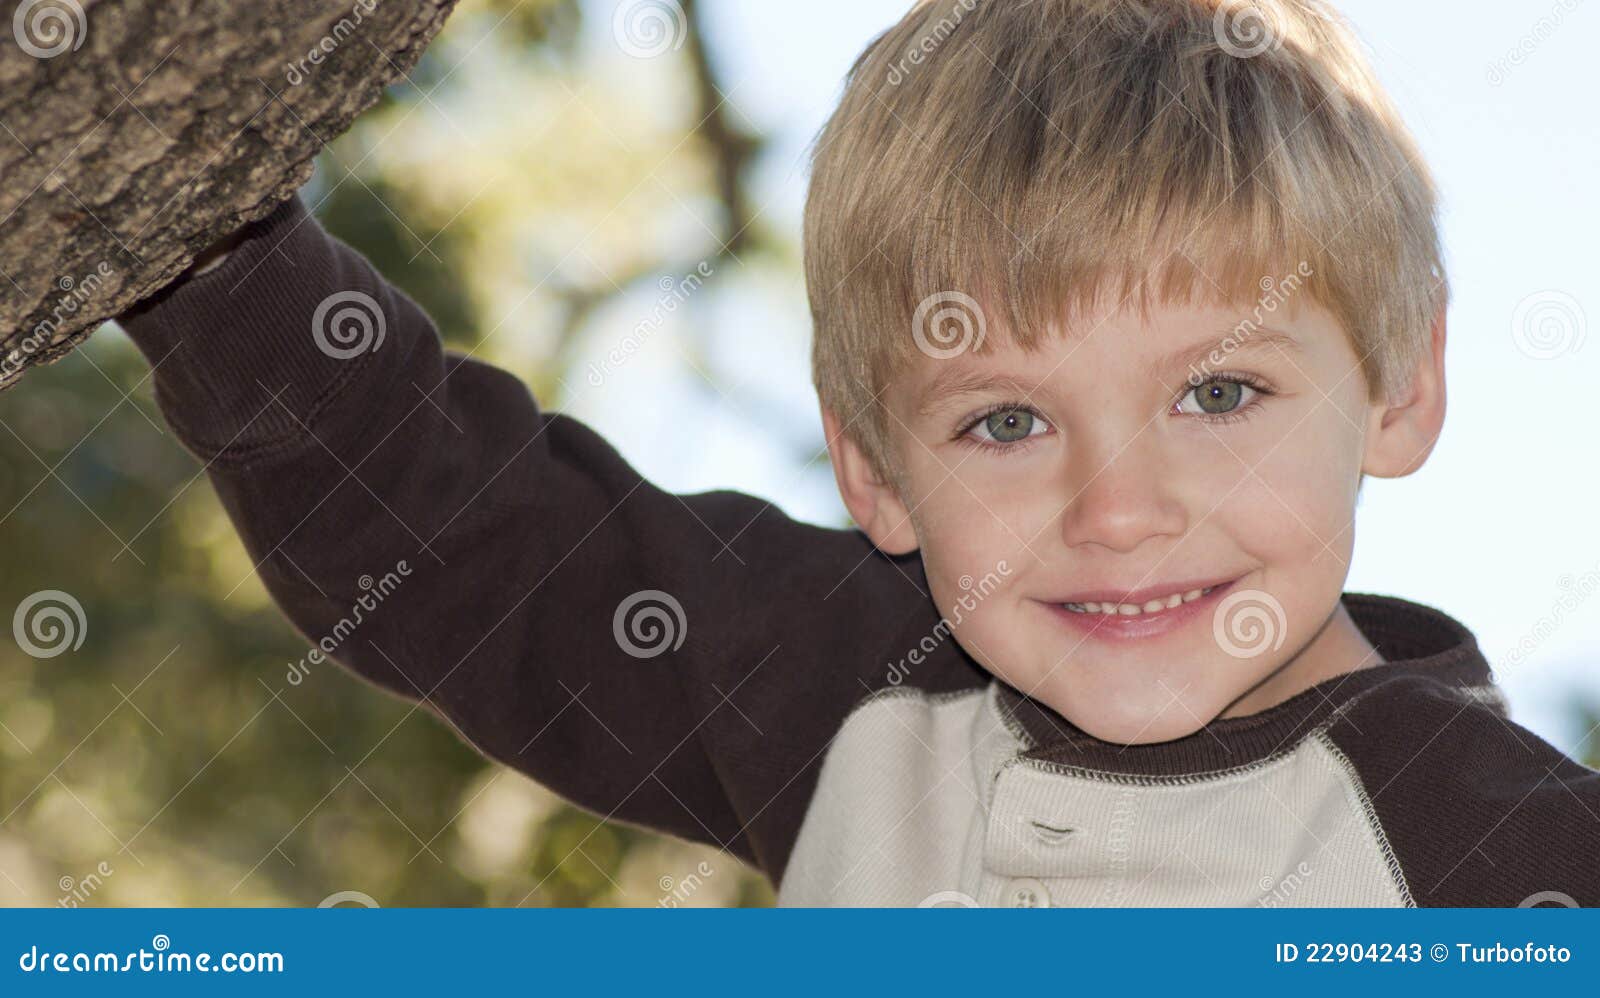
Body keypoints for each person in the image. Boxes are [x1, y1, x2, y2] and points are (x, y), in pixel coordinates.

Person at [118, 0, 1600, 906]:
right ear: (879, 471)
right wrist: (206, 243)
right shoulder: (858, 694)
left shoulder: (1514, 859)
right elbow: (465, 542)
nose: (1122, 509)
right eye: (1005, 422)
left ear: (1401, 387)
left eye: (1218, 393)